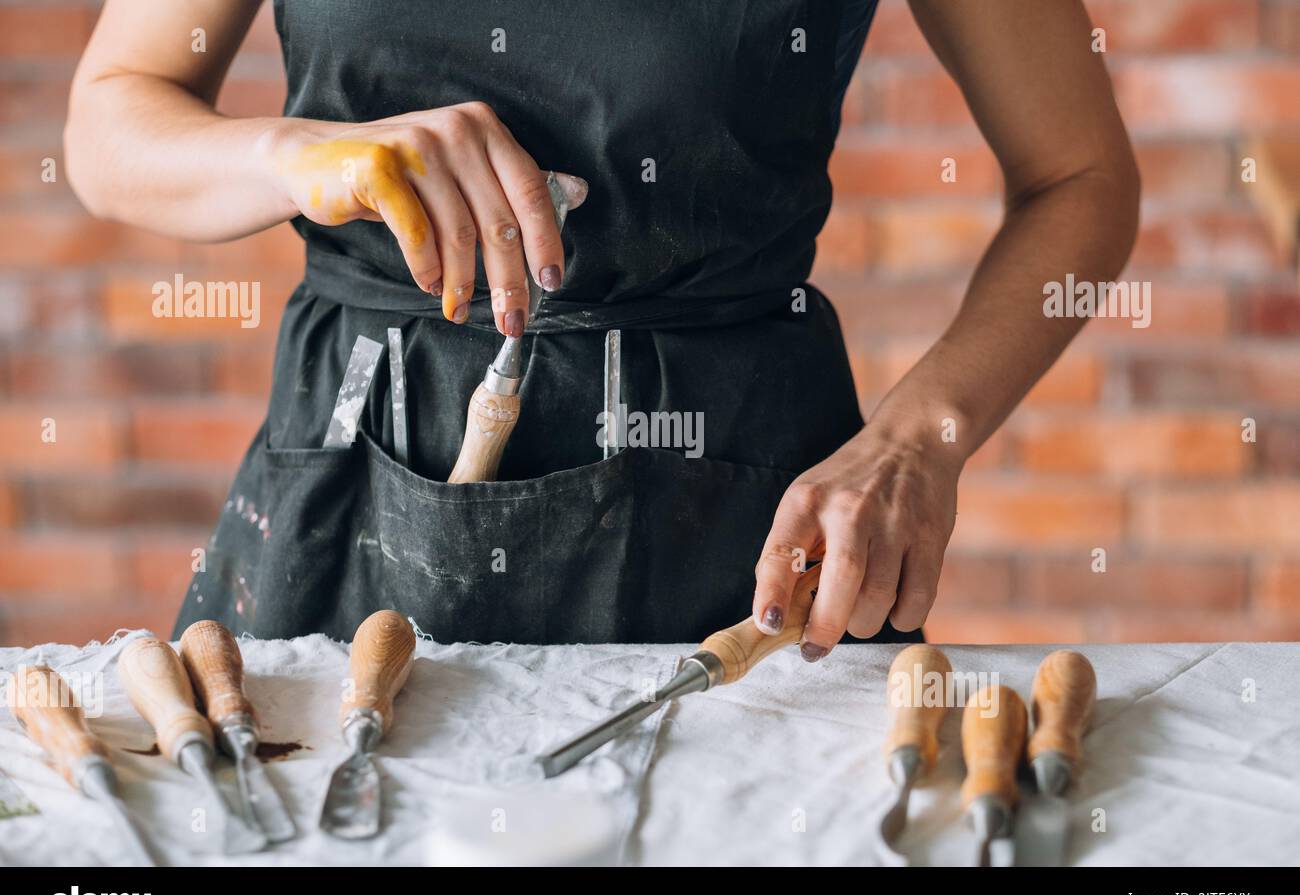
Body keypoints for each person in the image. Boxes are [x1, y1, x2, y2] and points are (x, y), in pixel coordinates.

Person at [65, 1, 1139, 652]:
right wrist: (295, 156)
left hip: (733, 513)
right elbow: (112, 120)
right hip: (349, 477)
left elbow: (1080, 178)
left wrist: (919, 440)